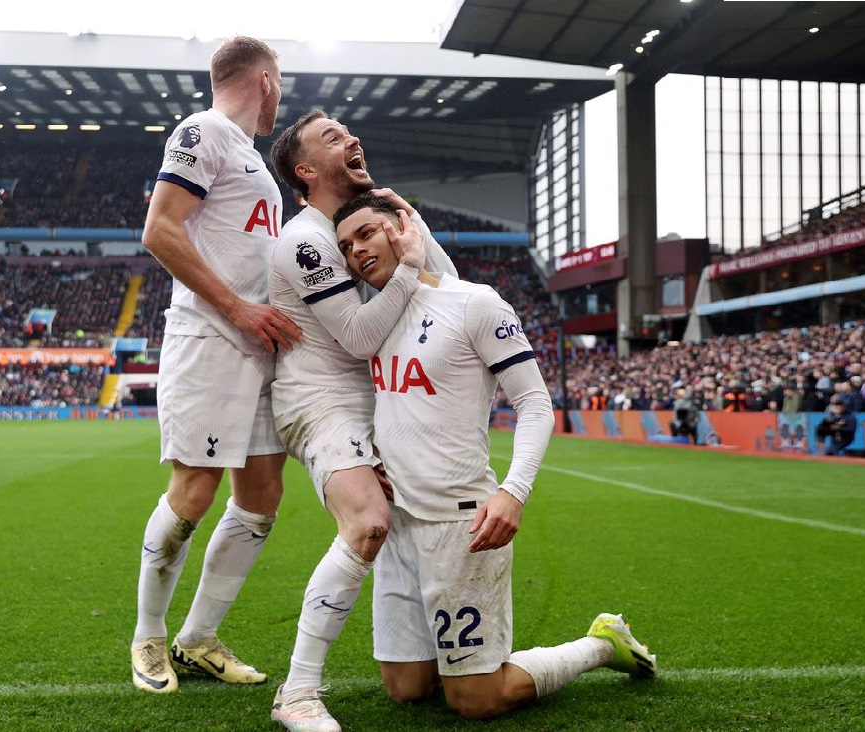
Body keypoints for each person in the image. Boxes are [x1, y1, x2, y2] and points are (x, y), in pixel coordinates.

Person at [335, 194, 657, 720]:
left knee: (475, 701)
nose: (357, 251)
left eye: (367, 233)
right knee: (406, 689)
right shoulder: (370, 322)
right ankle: (460, 655)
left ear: (401, 227)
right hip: (397, 525)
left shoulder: (474, 303)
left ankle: (602, 644)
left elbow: (534, 403)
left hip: (461, 523)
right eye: (346, 245)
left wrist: (513, 491)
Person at [266, 109, 459, 732]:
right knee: (369, 518)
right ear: (306, 170)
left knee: (404, 525)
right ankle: (297, 693)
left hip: (379, 402)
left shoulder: (361, 225)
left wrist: (416, 233)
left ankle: (439, 659)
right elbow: (354, 336)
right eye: (332, 137)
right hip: (322, 402)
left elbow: (448, 290)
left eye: (349, 131)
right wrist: (405, 266)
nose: (351, 139)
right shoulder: (304, 238)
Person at [129, 35, 301, 695]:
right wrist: (238, 308)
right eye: (278, 83)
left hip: (257, 346)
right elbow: (161, 228)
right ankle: (148, 638)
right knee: (194, 490)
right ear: (264, 80)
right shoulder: (203, 130)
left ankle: (198, 639)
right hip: (211, 338)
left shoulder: (248, 158)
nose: (278, 97)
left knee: (260, 496)